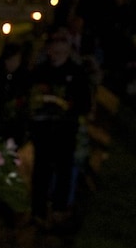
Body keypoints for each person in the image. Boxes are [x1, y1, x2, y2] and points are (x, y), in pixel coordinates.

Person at [26, 29, 92, 231]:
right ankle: (38, 211)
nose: (57, 46)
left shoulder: (77, 73)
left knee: (64, 170)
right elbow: (29, 98)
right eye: (54, 41)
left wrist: (67, 107)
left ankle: (59, 210)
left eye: (62, 41)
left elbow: (84, 103)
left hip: (65, 131)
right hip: (43, 131)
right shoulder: (40, 71)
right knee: (41, 171)